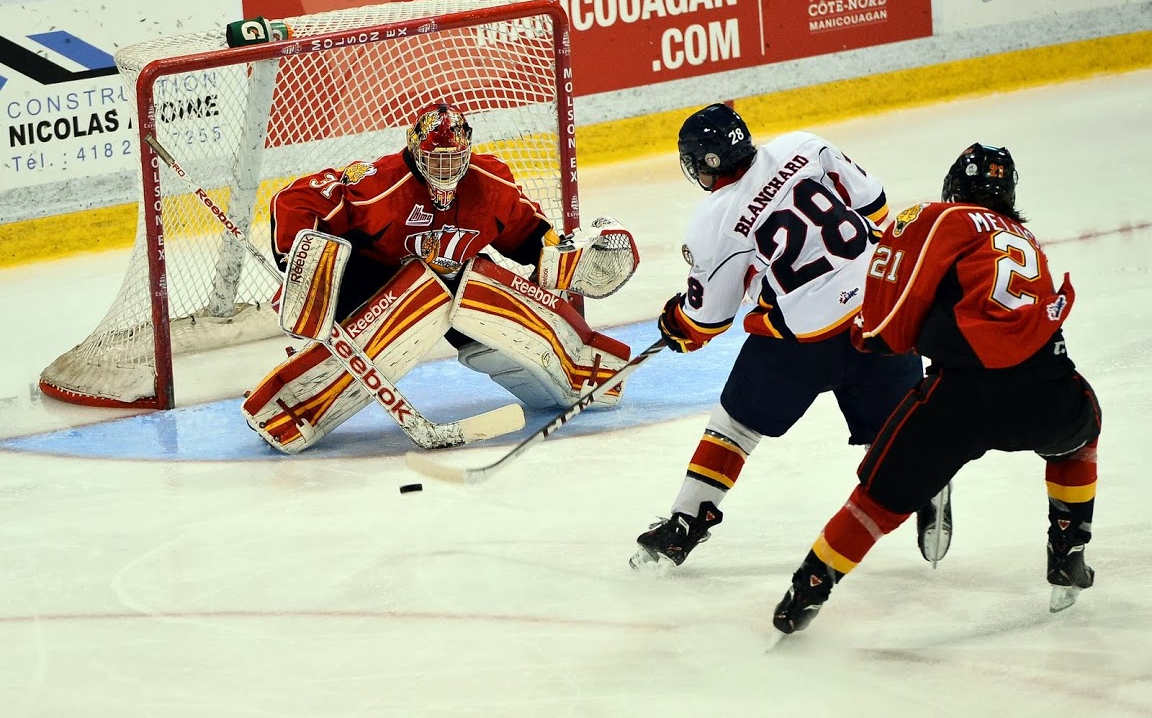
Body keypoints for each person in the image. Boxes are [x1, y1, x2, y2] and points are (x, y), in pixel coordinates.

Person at [772, 143, 1102, 636]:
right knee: (1082, 434)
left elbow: (890, 320)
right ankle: (1068, 549)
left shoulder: (942, 217)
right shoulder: (1026, 238)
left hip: (960, 398)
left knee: (874, 501)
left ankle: (809, 590)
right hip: (1046, 387)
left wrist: (874, 335)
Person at [629, 103, 936, 571]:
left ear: (706, 163)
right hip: (881, 312)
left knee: (735, 426)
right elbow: (875, 206)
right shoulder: (805, 146)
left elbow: (707, 321)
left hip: (806, 342)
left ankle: (687, 523)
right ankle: (923, 486)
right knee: (896, 429)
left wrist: (677, 323)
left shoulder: (714, 220)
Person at [242, 102, 639, 453]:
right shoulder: (378, 184)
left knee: (479, 287)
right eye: (436, 160)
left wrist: (562, 255)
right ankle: (294, 403)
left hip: (451, 286)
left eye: (455, 159)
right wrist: (303, 261)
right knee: (425, 287)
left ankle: (580, 369)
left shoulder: (492, 184)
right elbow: (294, 199)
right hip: (366, 285)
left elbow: (530, 236)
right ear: (415, 151)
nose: (446, 169)